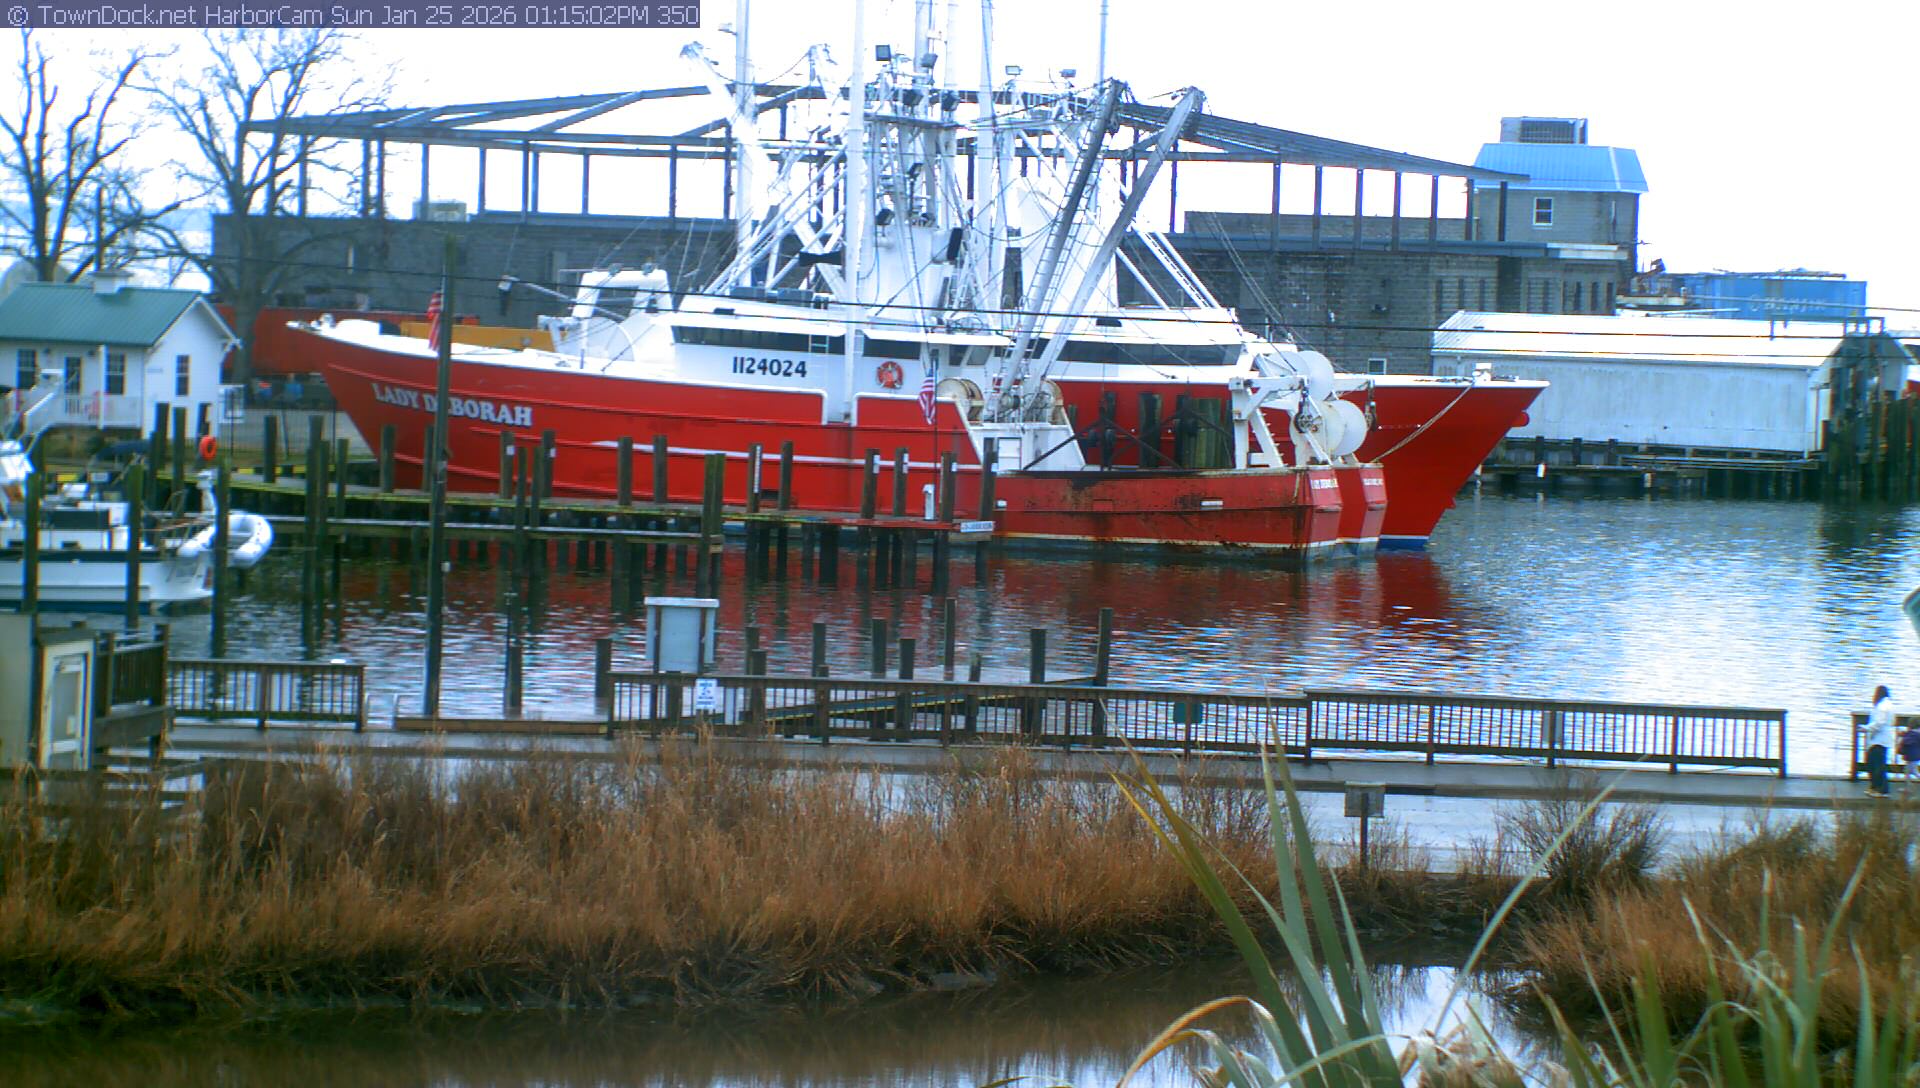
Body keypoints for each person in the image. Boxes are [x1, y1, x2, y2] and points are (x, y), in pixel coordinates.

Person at [1859, 685, 1896, 798]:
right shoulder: (1888, 704)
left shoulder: (1882, 706)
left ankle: (1882, 790)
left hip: (1879, 740)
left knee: (1877, 766)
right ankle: (1875, 787)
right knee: (1876, 764)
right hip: (1882, 739)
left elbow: (1879, 723)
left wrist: (1866, 728)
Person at [1898, 718, 1920, 790]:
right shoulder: (1917, 733)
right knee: (1909, 771)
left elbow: (1907, 742)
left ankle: (1908, 787)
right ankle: (1908, 787)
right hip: (1915, 755)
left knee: (1913, 771)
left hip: (1912, 756)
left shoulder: (1912, 734)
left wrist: (1903, 736)